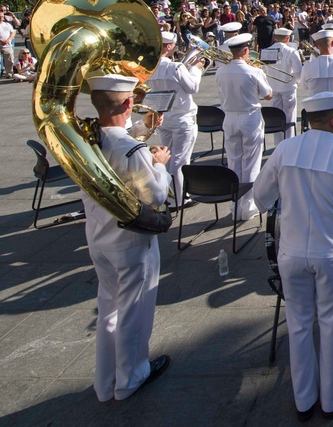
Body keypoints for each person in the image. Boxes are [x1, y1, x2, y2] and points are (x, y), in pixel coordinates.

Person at [253, 91, 333, 421]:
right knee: (332, 324)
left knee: (299, 325)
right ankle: (331, 399)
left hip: (290, 251)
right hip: (331, 252)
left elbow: (260, 198)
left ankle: (304, 400)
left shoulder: (285, 149)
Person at [79, 73, 173, 402]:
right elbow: (156, 195)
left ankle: (105, 382)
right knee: (135, 311)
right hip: (131, 241)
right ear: (129, 102)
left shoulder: (84, 140)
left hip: (99, 236)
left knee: (109, 310)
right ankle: (131, 377)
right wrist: (160, 163)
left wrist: (143, 130)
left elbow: (117, 142)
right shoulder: (132, 149)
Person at [143, 31, 204, 208]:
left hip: (163, 115)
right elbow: (192, 87)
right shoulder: (175, 67)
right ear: (169, 47)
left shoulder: (149, 67)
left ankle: (170, 195)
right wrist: (196, 68)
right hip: (182, 117)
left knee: (168, 156)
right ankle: (180, 197)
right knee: (180, 159)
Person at [217, 33, 273, 218]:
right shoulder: (253, 71)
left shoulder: (221, 71)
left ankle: (235, 207)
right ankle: (248, 207)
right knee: (251, 162)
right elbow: (268, 95)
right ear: (246, 50)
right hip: (250, 117)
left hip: (230, 117)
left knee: (234, 161)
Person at [260, 27, 303, 142]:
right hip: (288, 87)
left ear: (274, 37)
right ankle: (290, 141)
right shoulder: (292, 51)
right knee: (290, 116)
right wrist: (297, 81)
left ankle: (278, 142)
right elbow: (298, 71)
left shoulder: (266, 51)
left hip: (273, 87)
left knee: (277, 116)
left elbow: (262, 70)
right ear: (288, 39)